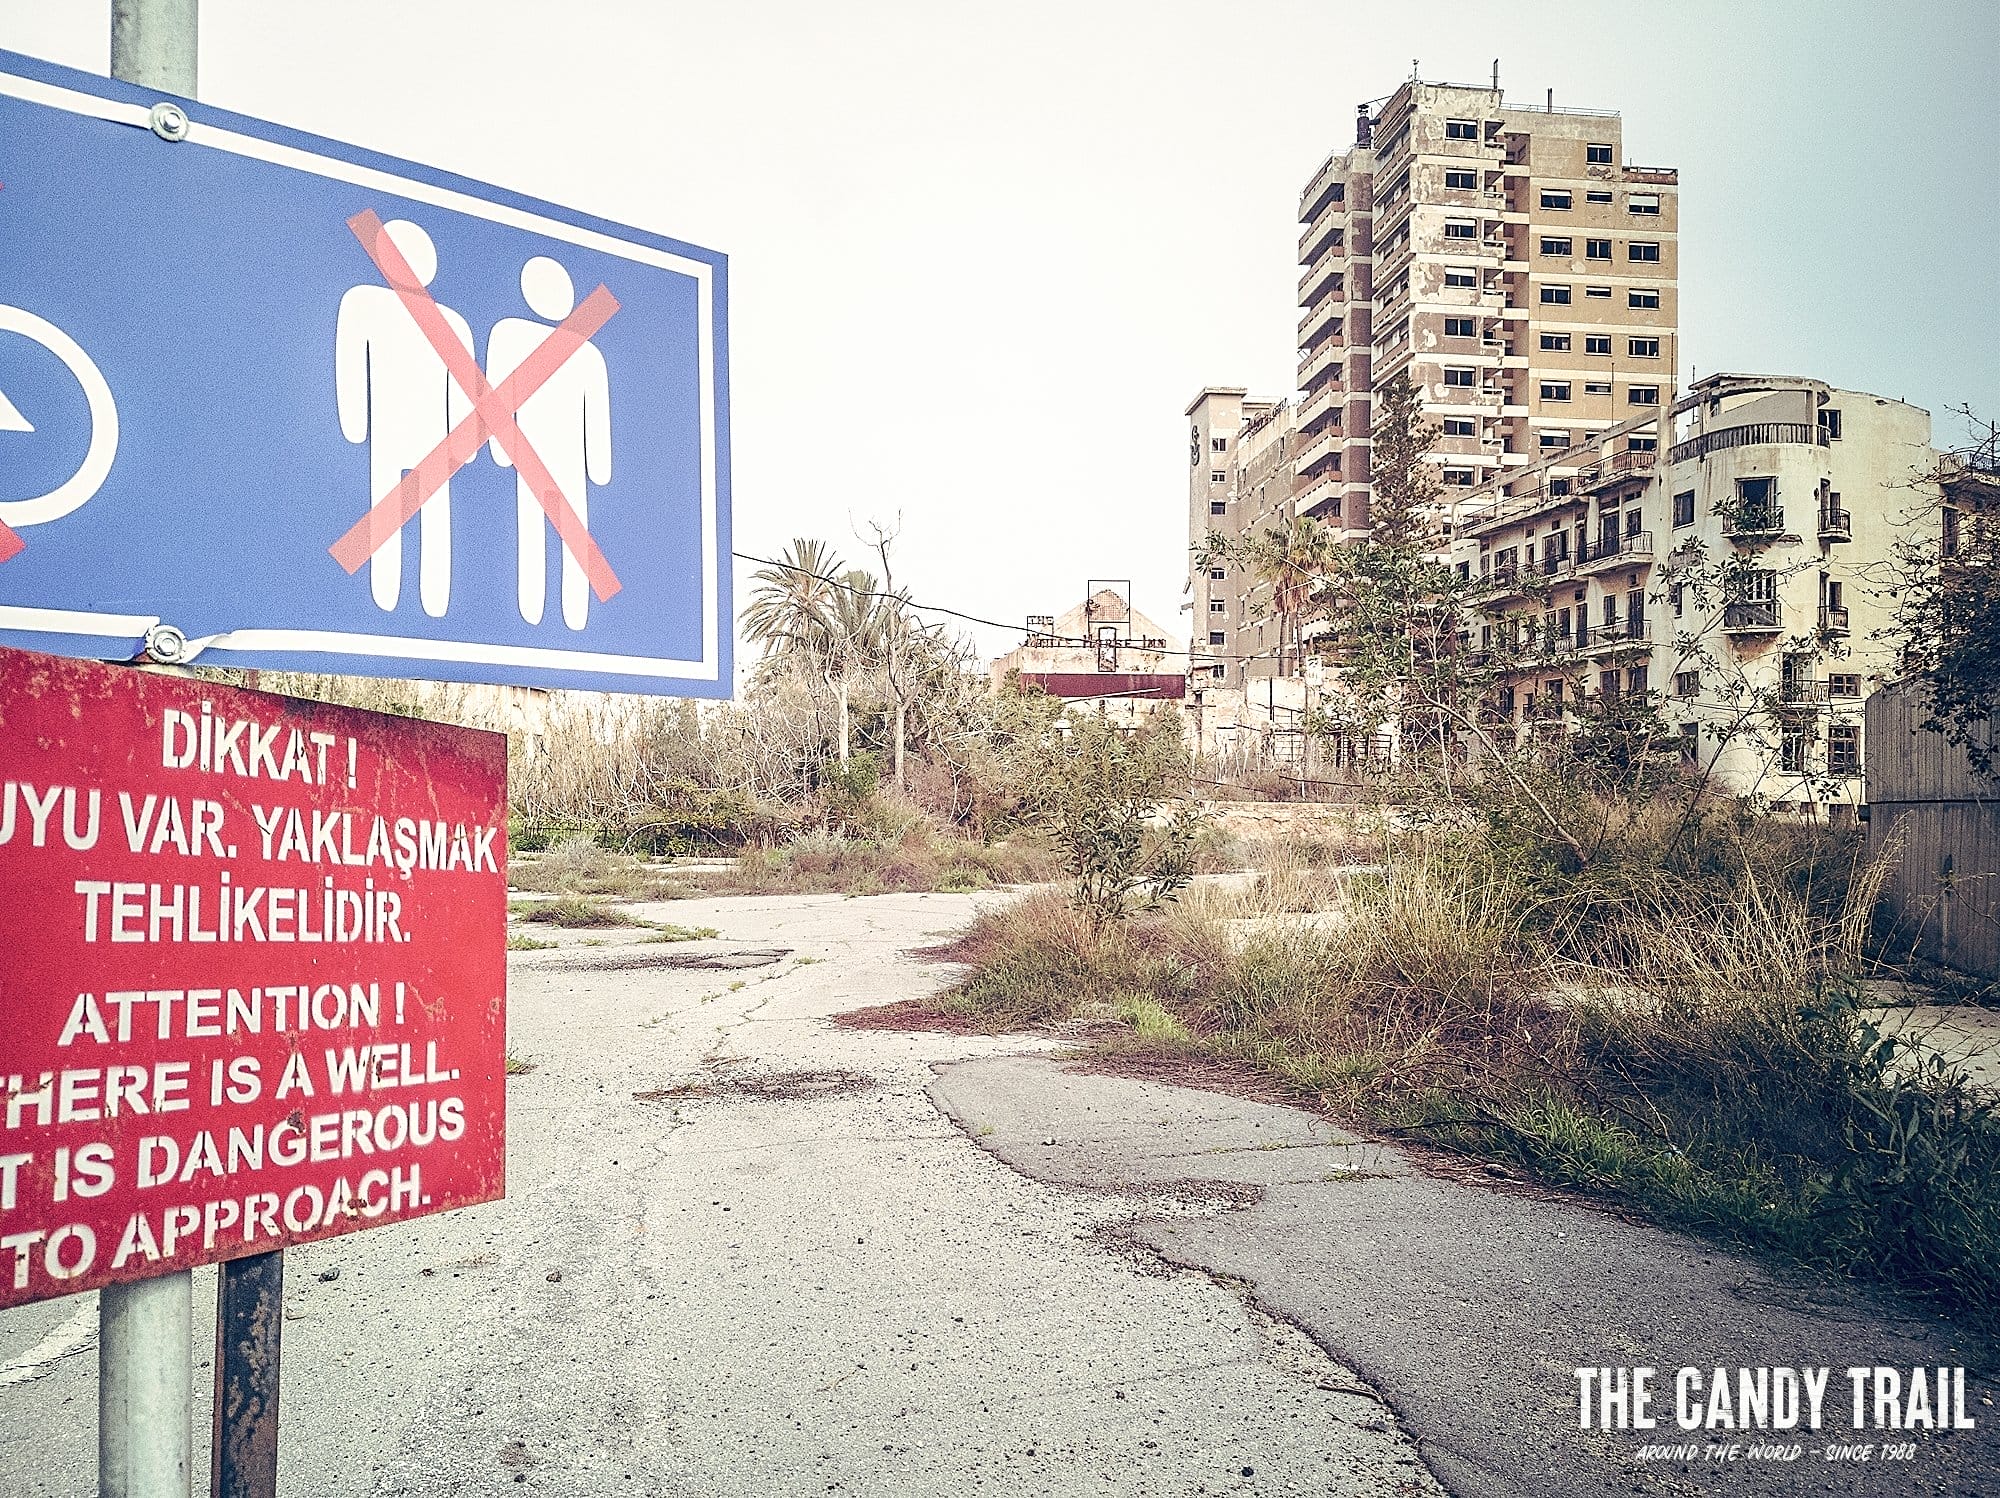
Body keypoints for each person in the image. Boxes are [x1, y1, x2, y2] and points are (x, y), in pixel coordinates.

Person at [333, 219, 474, 618]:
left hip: (427, 434)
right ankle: (390, 598)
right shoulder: (364, 302)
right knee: (400, 514)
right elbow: (351, 367)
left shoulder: (452, 321)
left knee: (422, 516)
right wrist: (355, 425)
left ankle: (429, 602)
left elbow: (463, 390)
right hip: (399, 430)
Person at [485, 256, 612, 629]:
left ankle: (551, 613)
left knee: (541, 533)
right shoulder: (512, 335)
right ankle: (548, 615)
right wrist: (599, 469)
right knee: (553, 534)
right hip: (544, 456)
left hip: (542, 457)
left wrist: (501, 450)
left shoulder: (513, 337)